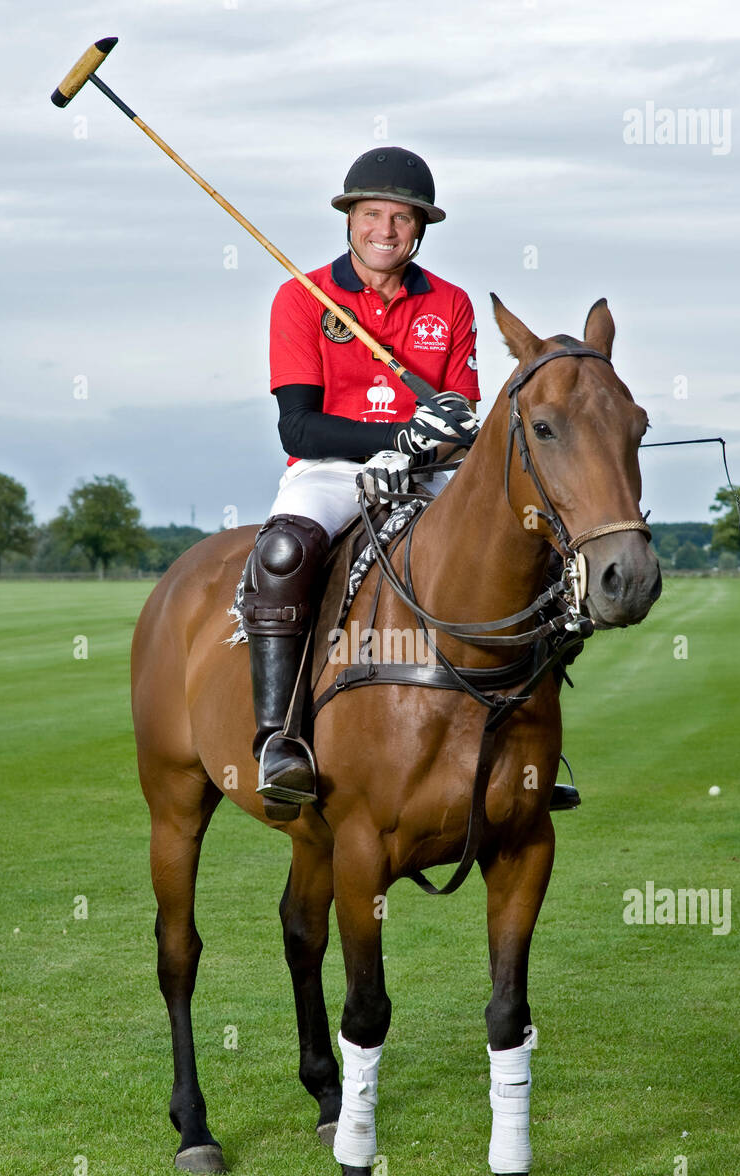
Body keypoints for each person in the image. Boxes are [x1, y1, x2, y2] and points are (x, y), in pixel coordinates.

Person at [243, 146, 480, 806]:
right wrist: (391, 439)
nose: (385, 230)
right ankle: (279, 740)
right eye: (371, 214)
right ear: (348, 220)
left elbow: (458, 411)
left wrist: (420, 448)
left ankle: (521, 732)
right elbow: (297, 428)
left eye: (401, 218)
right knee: (281, 550)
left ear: (421, 227)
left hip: (427, 472)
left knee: (514, 543)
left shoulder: (450, 304)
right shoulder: (300, 297)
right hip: (329, 471)